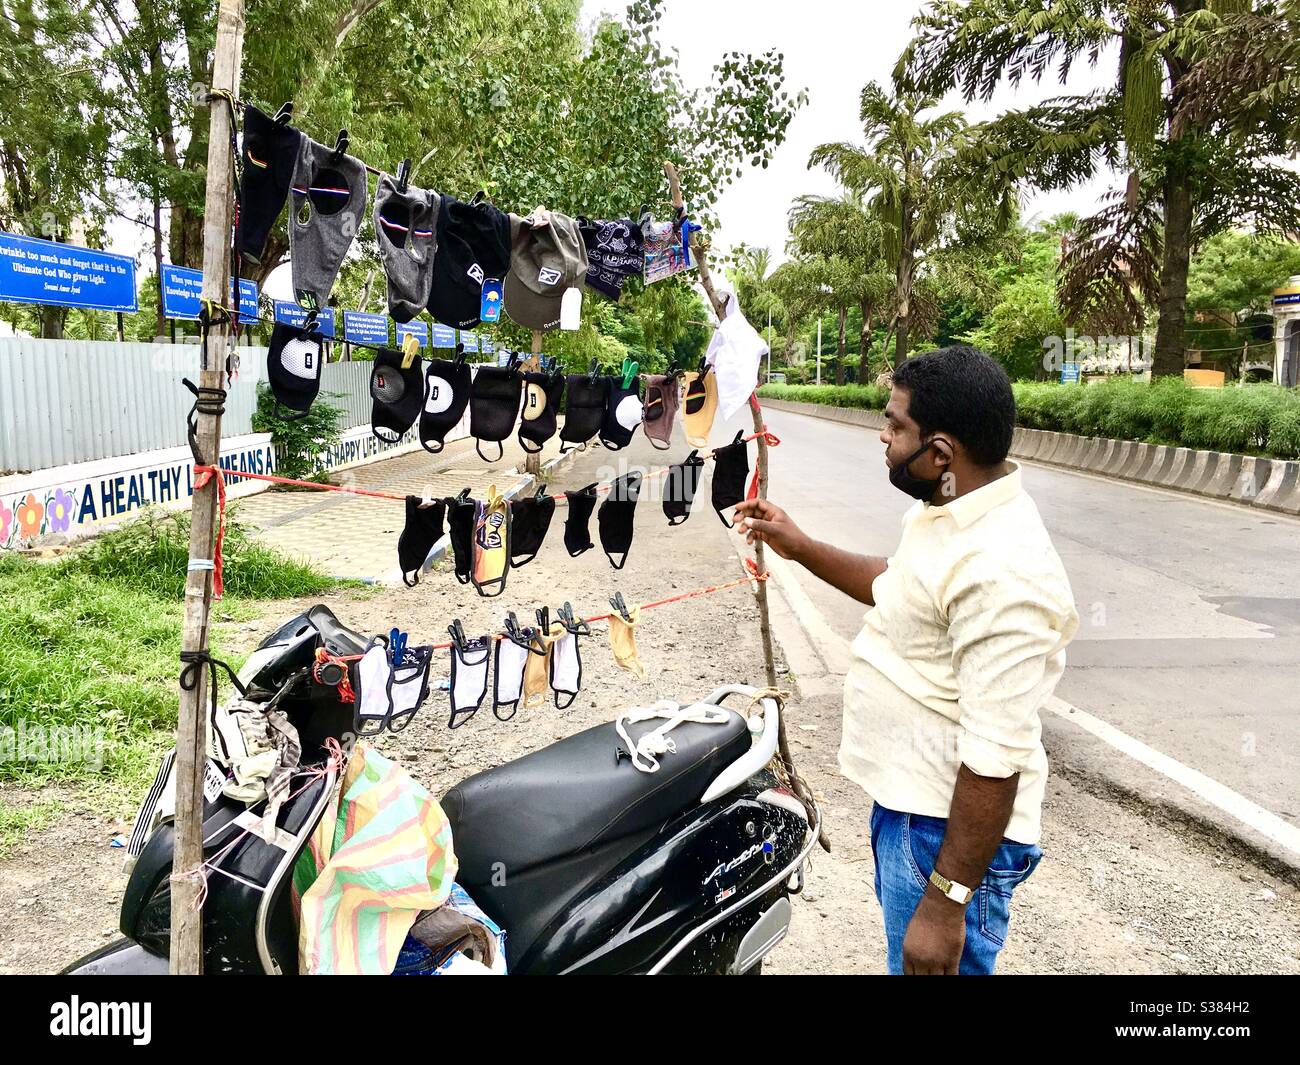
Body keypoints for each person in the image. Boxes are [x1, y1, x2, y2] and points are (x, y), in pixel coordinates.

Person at [734, 345, 1078, 975]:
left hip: (944, 836)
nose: (883, 438)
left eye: (894, 426)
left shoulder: (1003, 570)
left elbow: (996, 760)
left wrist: (946, 905)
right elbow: (899, 585)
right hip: (913, 814)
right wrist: (799, 545)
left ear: (941, 453)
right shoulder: (950, 509)